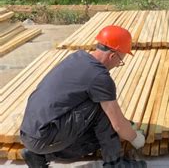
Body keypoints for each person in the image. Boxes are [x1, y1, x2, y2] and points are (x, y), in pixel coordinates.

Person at [20, 25, 147, 167]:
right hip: (45, 136)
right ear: (112, 55)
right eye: (120, 61)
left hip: (30, 132)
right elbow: (117, 125)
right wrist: (135, 138)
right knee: (101, 106)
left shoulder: (77, 57)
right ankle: (115, 163)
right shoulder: (99, 77)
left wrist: (124, 124)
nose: (118, 64)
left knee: (96, 137)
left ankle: (39, 154)